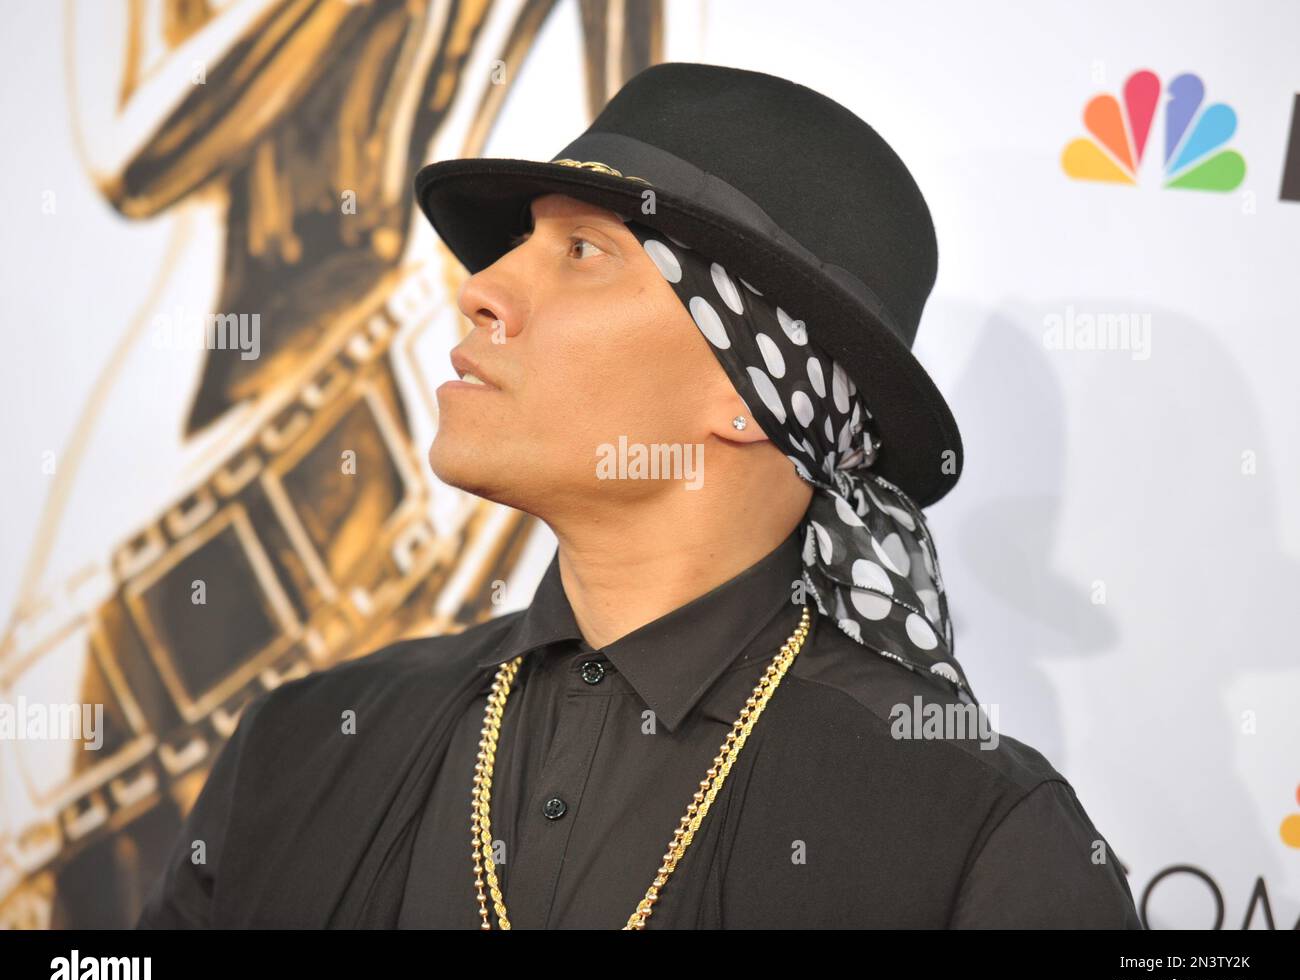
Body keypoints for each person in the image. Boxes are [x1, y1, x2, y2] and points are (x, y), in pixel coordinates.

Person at [137, 62, 1143, 929]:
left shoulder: (970, 829)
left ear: (753, 394)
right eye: (521, 242)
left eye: (583, 252)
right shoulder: (303, 742)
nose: (480, 286)